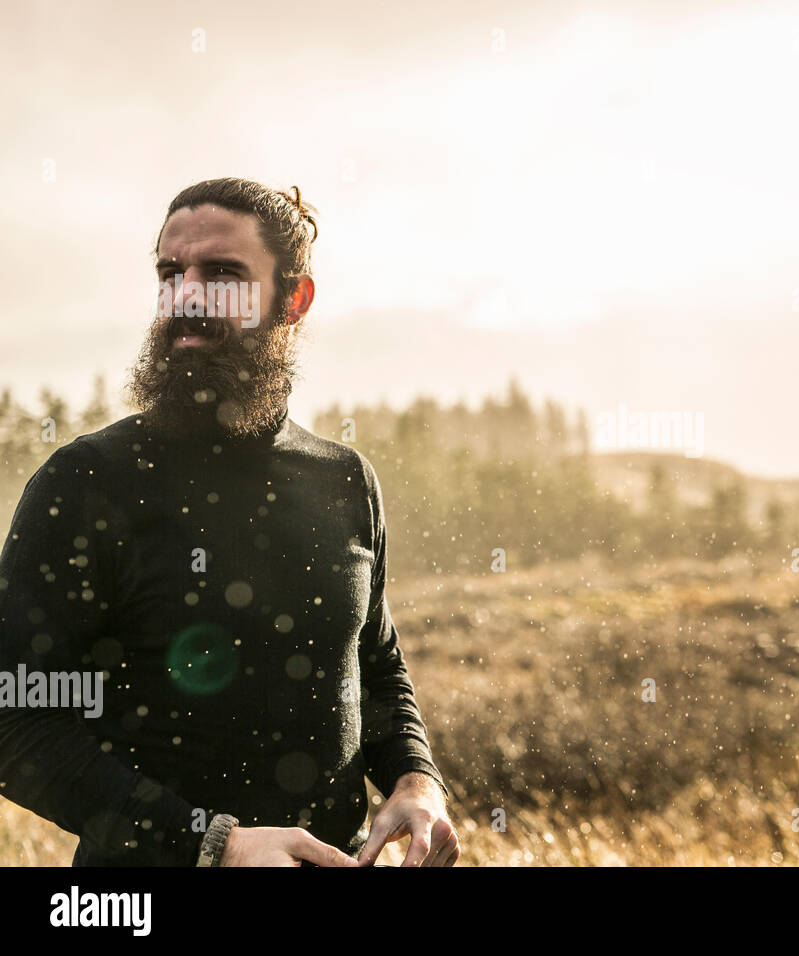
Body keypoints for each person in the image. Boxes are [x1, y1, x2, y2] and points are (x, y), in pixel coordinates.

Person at [0, 178, 459, 867]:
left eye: (221, 274)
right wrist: (213, 845)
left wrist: (417, 779)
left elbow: (373, 661)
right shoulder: (87, 482)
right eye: (169, 272)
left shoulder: (345, 480)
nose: (186, 295)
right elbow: (16, 718)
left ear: (294, 301)